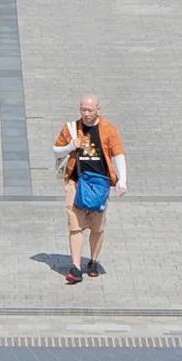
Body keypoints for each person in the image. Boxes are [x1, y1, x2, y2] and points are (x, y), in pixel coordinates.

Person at [54, 94, 126, 285]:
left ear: (98, 110)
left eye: (90, 110)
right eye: (83, 110)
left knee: (97, 227)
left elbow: (118, 154)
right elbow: (56, 150)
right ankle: (75, 268)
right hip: (76, 183)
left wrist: (122, 180)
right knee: (75, 226)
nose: (86, 114)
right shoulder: (71, 128)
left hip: (99, 184)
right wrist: (71, 146)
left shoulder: (108, 129)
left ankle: (93, 261)